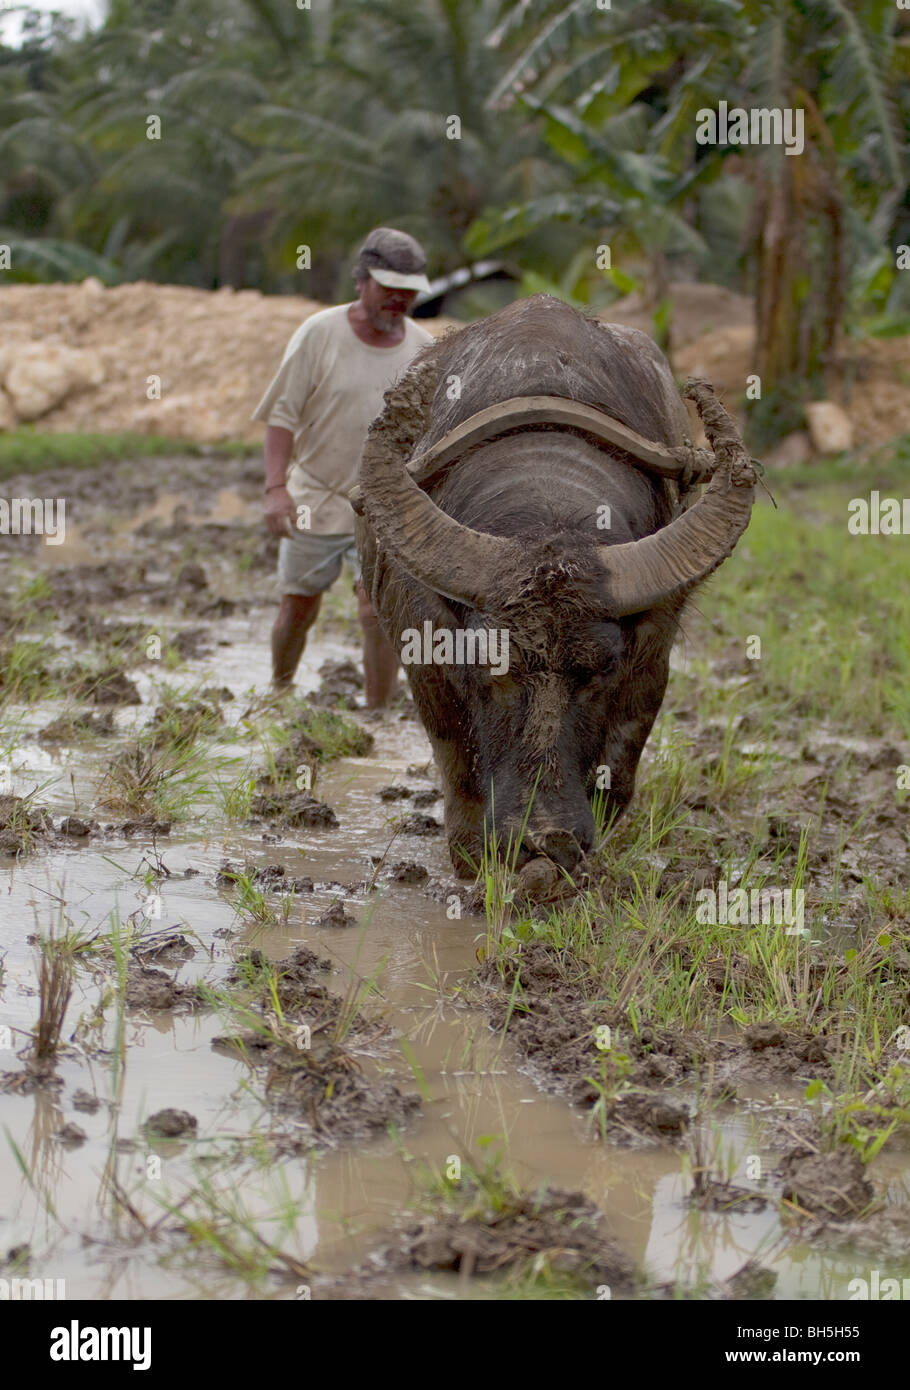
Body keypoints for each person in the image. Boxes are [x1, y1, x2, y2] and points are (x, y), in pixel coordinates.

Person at [252, 227, 436, 706]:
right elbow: (282, 417)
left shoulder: (424, 351)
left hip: (383, 504)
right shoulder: (319, 334)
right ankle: (280, 691)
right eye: (389, 288)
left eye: (408, 291)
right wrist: (275, 489)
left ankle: (377, 711)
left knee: (377, 611)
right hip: (315, 494)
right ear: (361, 281)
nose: (398, 299)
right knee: (298, 603)